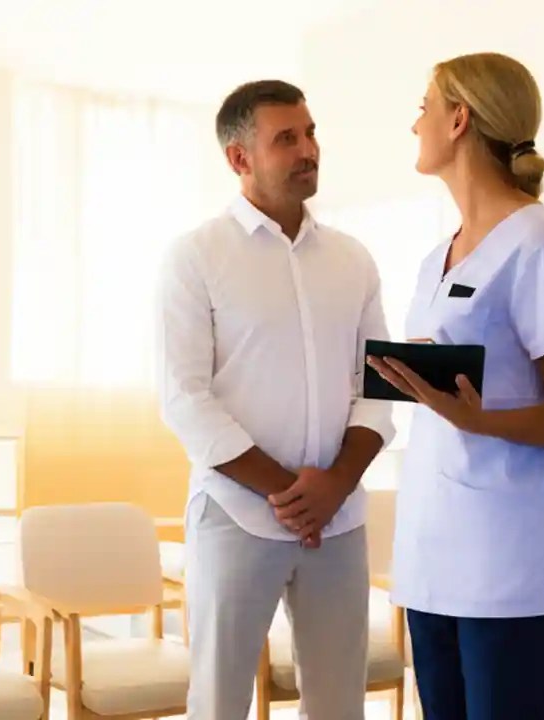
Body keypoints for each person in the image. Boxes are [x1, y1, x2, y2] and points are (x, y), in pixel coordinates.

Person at [367, 52, 544, 720]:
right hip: (434, 551)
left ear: (459, 119)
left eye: (424, 107)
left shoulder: (539, 245)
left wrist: (478, 419)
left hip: (511, 563)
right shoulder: (436, 256)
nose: (416, 125)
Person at [156, 79, 395, 720]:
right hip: (236, 515)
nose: (307, 149)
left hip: (338, 521)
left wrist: (335, 486)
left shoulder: (353, 259)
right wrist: (289, 492)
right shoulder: (195, 257)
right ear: (240, 158)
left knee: (340, 703)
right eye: (285, 138)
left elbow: (378, 388)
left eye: (311, 132)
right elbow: (184, 398)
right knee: (219, 700)